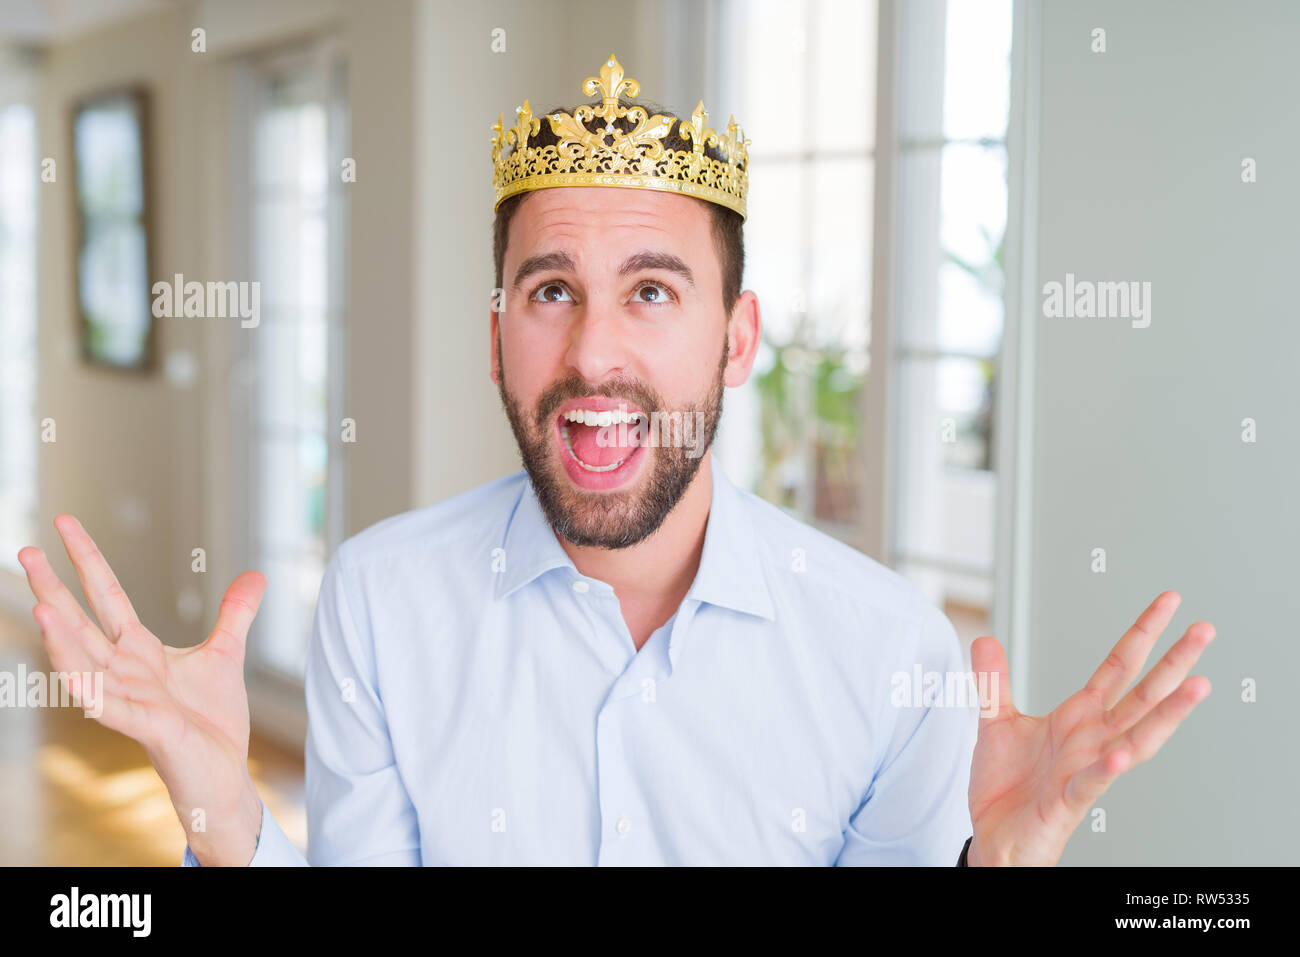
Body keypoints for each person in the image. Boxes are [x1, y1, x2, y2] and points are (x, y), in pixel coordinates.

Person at [16, 55, 1214, 866]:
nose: (593, 353)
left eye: (652, 291)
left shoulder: (891, 649)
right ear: (497, 339)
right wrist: (220, 803)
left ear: (736, 339)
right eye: (552, 291)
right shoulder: (380, 603)